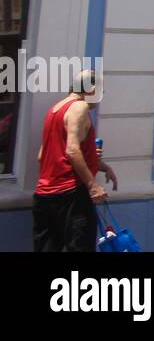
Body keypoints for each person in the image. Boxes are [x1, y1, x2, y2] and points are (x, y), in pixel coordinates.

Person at [33, 69, 118, 251]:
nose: (100, 97)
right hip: (72, 195)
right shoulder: (79, 107)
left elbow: (43, 156)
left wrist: (101, 166)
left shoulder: (54, 110)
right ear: (91, 89)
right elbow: (72, 150)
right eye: (101, 92)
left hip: (45, 195)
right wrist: (92, 185)